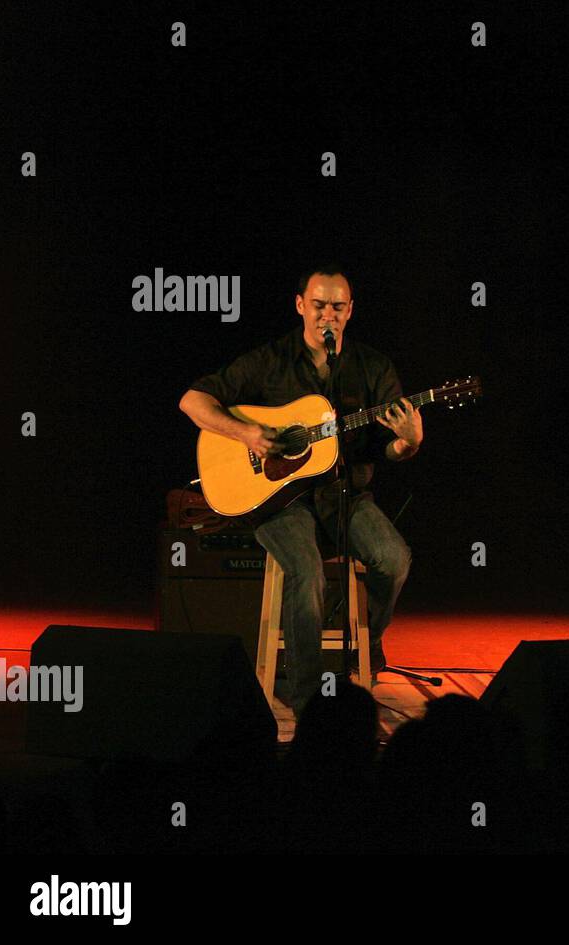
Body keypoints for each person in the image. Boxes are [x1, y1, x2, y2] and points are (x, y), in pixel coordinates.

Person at [179, 266, 422, 717]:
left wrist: (408, 442)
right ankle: (308, 695)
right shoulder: (270, 360)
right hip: (277, 503)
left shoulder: (373, 368)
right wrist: (246, 433)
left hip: (344, 495)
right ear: (300, 305)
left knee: (394, 558)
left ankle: (364, 642)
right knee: (305, 571)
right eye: (318, 305)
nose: (327, 315)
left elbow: (388, 448)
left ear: (350, 311)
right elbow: (192, 400)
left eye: (337, 307)